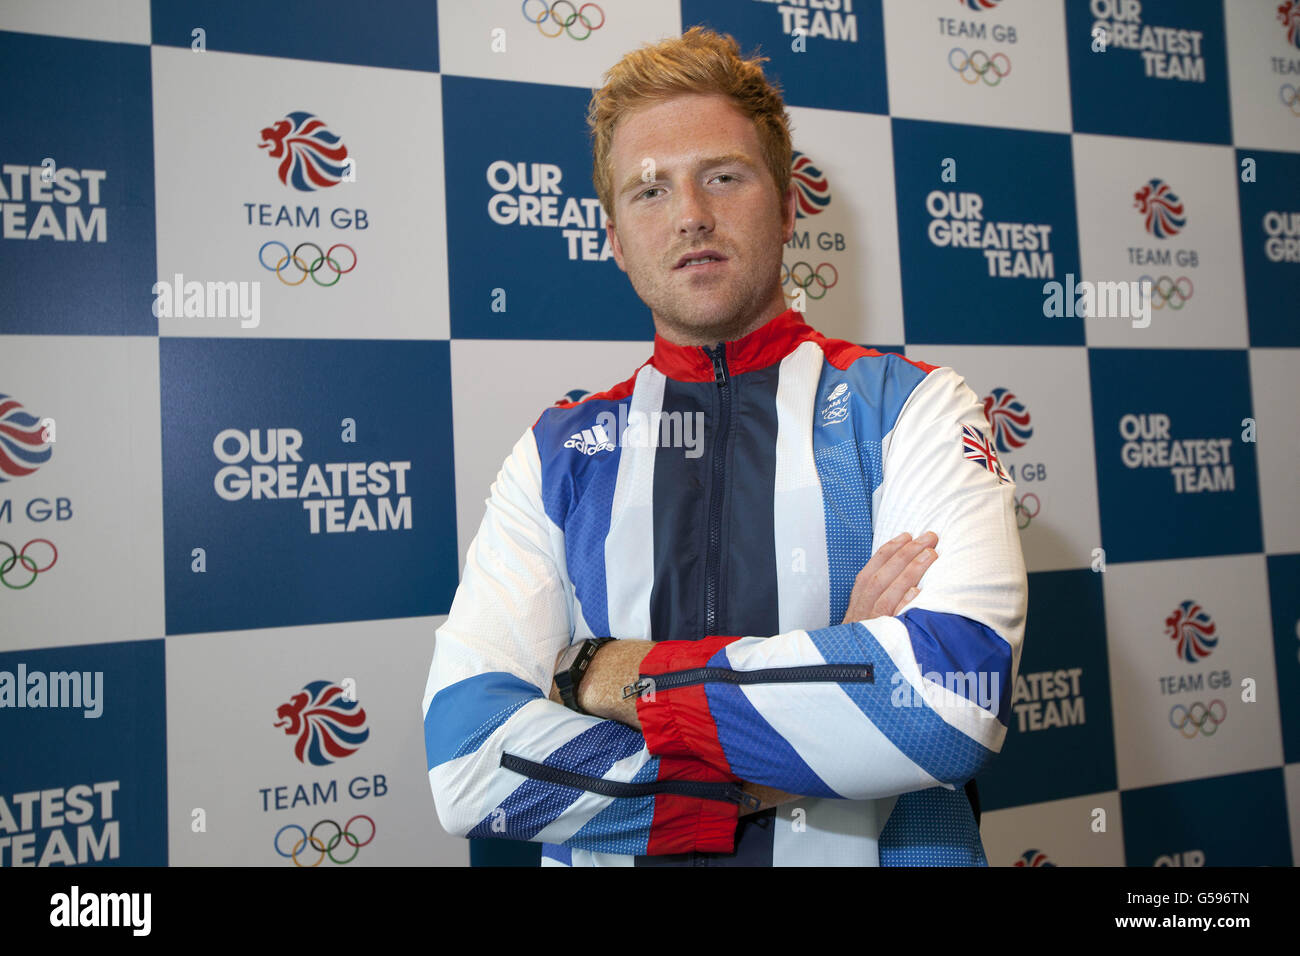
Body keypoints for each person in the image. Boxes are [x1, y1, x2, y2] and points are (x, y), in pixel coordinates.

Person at [422, 26, 1027, 867]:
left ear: (785, 207)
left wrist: (611, 675)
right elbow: (468, 760)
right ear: (613, 238)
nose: (692, 216)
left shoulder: (914, 407)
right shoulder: (559, 453)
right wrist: (825, 700)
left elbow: (947, 697)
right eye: (650, 191)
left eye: (723, 177)